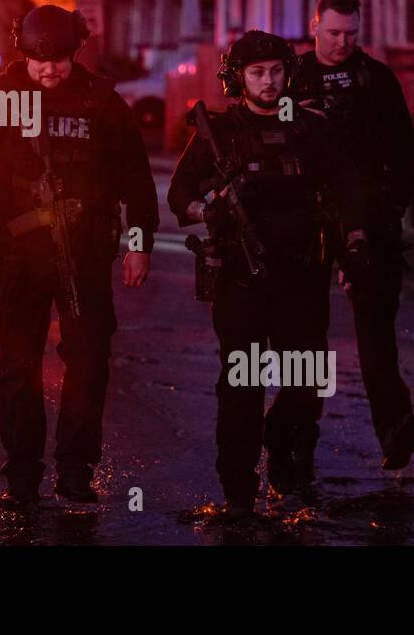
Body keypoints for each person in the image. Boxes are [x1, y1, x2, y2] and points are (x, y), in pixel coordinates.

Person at [0, 5, 157, 509]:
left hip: (84, 254)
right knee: (19, 365)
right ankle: (21, 474)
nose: (50, 70)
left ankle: (76, 471)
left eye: (59, 59)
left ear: (74, 52)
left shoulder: (102, 101)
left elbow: (137, 181)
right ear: (23, 54)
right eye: (40, 61)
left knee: (88, 362)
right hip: (17, 254)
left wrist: (140, 241)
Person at [168, 30, 367, 516]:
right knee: (241, 385)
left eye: (277, 70)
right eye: (257, 72)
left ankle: (282, 453)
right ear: (238, 78)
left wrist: (355, 245)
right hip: (240, 279)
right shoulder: (218, 133)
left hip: (301, 277)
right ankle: (238, 490)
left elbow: (346, 194)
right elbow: (179, 199)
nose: (268, 81)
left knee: (303, 386)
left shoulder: (312, 129)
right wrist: (207, 208)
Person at [289, 0, 414, 469]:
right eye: (333, 33)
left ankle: (395, 429)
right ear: (314, 26)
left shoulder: (376, 80)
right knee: (305, 336)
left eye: (350, 34)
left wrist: (386, 215)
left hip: (371, 221)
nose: (342, 42)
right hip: (305, 221)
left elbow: (406, 154)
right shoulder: (291, 78)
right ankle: (297, 444)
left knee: (375, 331)